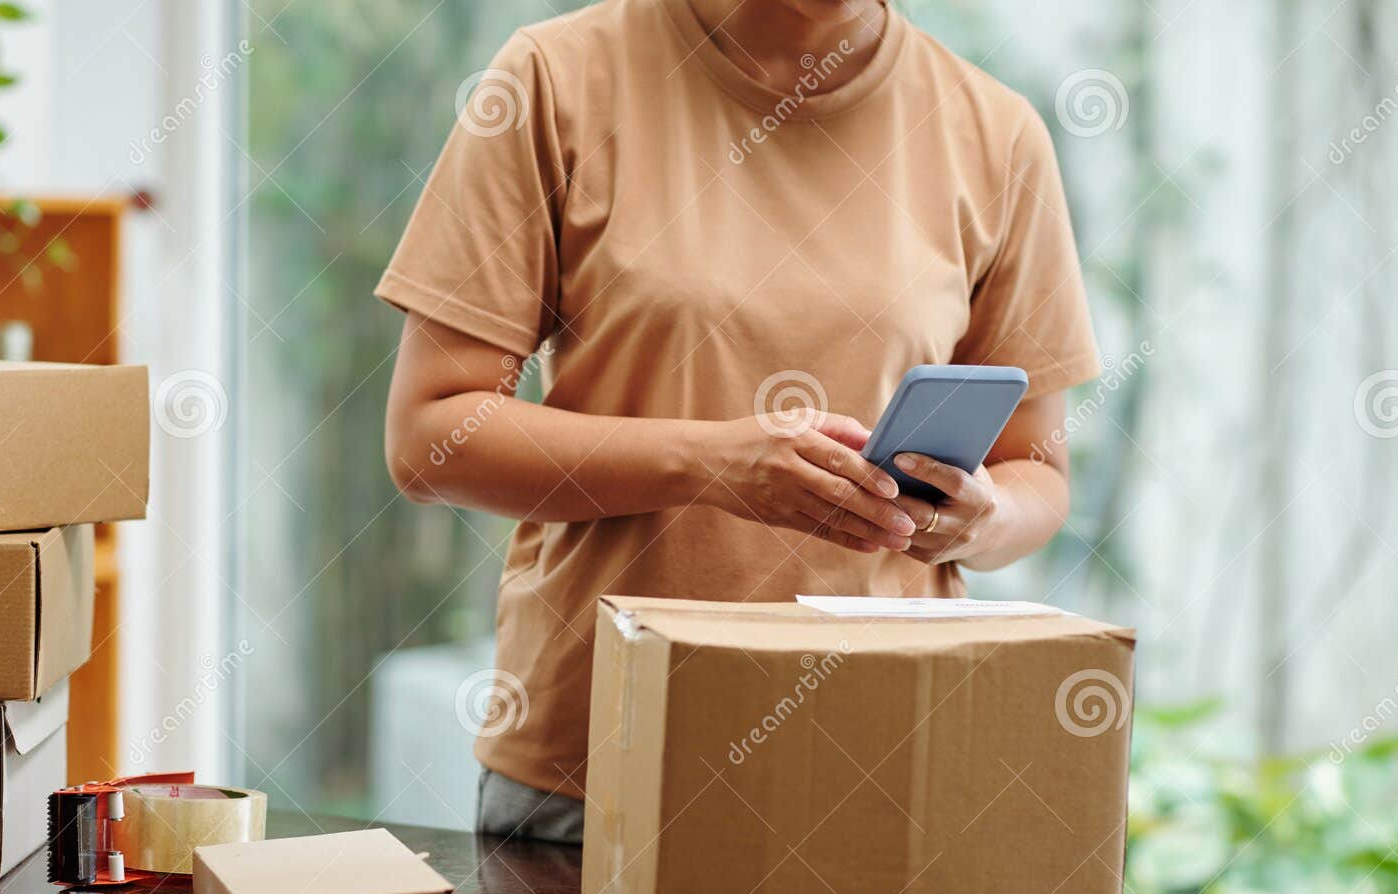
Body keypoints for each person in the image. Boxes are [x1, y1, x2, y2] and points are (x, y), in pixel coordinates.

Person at [378, 0, 1099, 844]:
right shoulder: (555, 80)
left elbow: (1037, 475)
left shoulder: (996, 132)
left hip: (887, 763)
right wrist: (708, 462)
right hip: (600, 761)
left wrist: (980, 518)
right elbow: (431, 439)